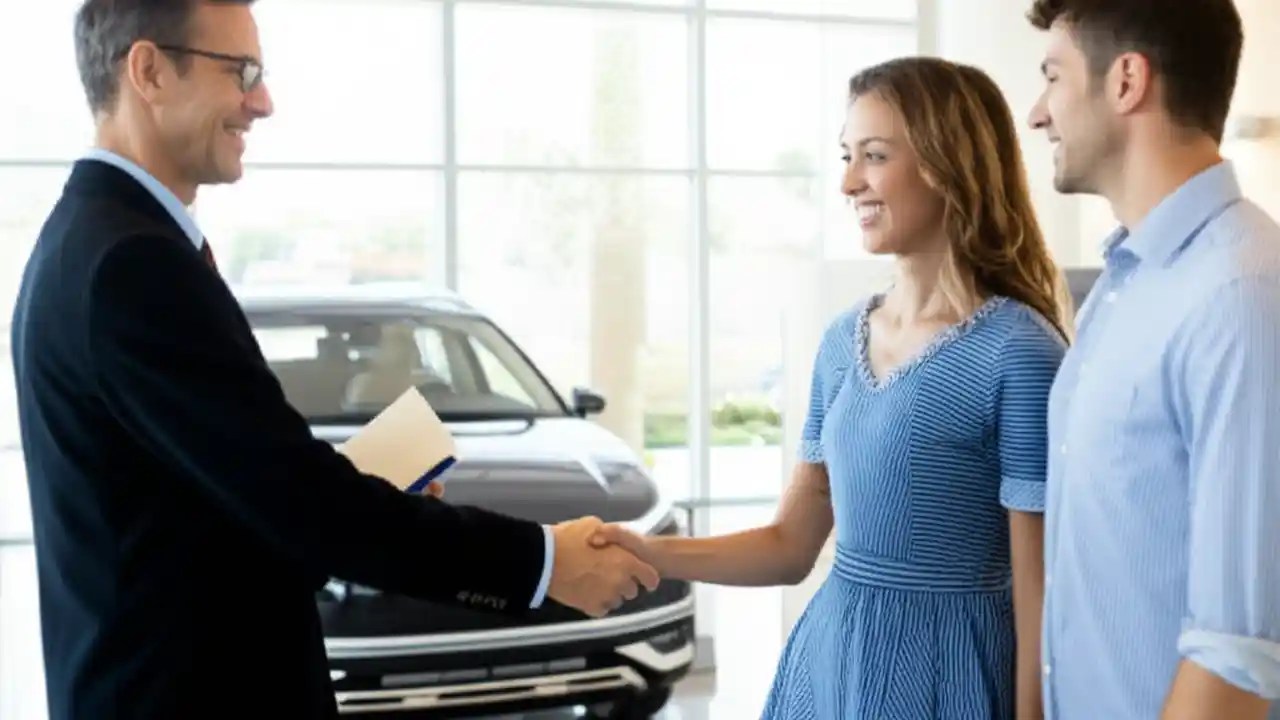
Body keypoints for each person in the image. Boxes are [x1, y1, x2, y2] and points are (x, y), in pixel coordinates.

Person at [8, 1, 657, 718]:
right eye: (242, 72)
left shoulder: (91, 242)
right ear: (150, 70)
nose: (263, 102)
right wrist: (543, 563)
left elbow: (211, 503)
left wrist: (349, 488)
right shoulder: (133, 264)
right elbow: (301, 501)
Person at [593, 56, 1070, 719]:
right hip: (831, 664)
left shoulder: (1020, 353)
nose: (849, 183)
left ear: (947, 161)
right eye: (847, 156)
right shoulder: (842, 340)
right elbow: (789, 546)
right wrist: (648, 551)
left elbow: (1042, 592)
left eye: (873, 155)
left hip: (950, 675)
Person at [1025, 1, 1280, 718]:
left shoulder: (1243, 292)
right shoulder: (1123, 283)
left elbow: (1237, 659)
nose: (1037, 113)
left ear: (1127, 81)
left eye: (1053, 77)